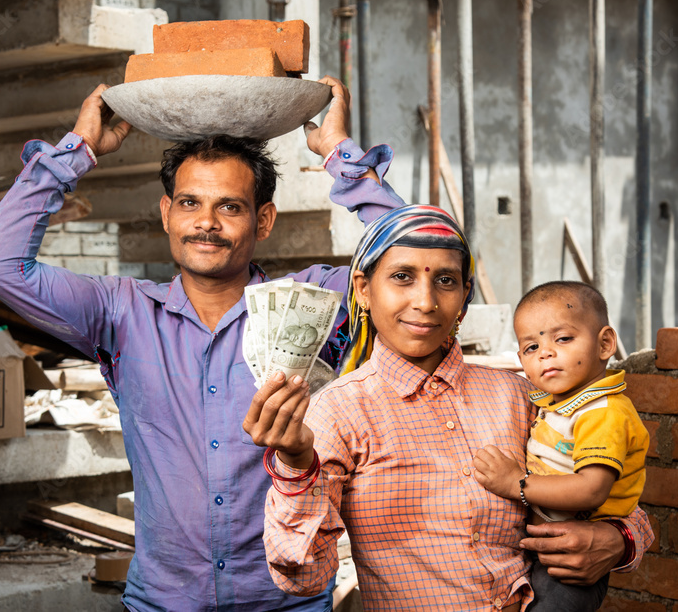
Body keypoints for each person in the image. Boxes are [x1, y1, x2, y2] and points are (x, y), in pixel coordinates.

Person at [0, 77, 406, 611]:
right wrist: (74, 153)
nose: (206, 223)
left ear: (262, 220)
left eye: (230, 207)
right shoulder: (119, 311)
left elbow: (425, 258)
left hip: (286, 599)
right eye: (191, 202)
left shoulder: (316, 301)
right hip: (163, 600)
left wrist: (339, 153)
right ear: (166, 213)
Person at [242, 206, 654, 611]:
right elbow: (303, 577)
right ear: (364, 289)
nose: (425, 301)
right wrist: (295, 463)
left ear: (464, 296)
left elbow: (611, 494)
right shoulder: (338, 412)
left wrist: (618, 540)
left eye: (445, 280)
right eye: (402, 277)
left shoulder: (520, 397)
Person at [473, 281, 649, 612]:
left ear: (605, 343)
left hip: (568, 565)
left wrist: (515, 483)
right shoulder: (557, 404)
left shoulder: (603, 412)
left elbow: (592, 490)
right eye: (531, 348)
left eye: (563, 338)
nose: (546, 353)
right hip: (542, 551)